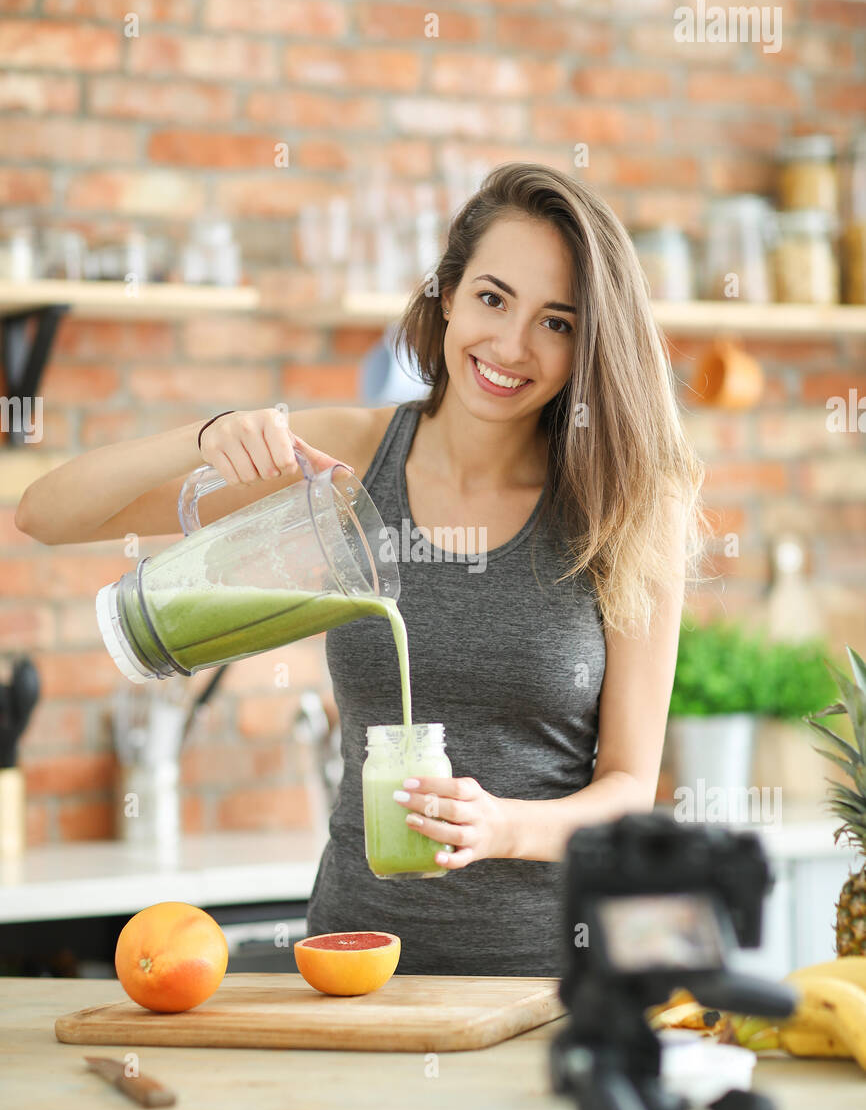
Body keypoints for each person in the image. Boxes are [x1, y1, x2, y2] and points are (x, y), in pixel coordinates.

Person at [16, 162, 710, 976]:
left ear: (587, 343)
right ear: (447, 295)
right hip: (356, 968)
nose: (512, 345)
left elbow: (629, 784)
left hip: (552, 981)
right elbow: (47, 515)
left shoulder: (626, 502)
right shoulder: (345, 458)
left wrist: (502, 827)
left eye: (557, 322)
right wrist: (203, 436)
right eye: (492, 298)